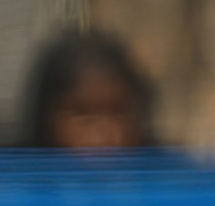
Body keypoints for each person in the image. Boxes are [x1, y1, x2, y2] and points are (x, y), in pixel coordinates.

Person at [22, 31, 155, 149]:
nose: (106, 136)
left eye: (119, 113)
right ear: (46, 119)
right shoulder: (14, 171)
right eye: (85, 116)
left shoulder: (166, 171)